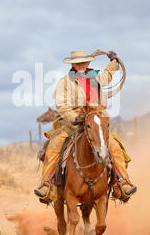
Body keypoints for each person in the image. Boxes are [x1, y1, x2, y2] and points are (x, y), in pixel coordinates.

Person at [34, 50, 136, 203]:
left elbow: (108, 75)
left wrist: (114, 63)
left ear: (88, 63)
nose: (81, 64)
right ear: (73, 64)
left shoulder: (96, 76)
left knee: (114, 147)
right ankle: (47, 185)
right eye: (77, 62)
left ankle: (121, 182)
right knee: (55, 146)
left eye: (84, 62)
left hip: (96, 121)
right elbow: (62, 105)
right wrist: (74, 118)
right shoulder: (64, 82)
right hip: (72, 123)